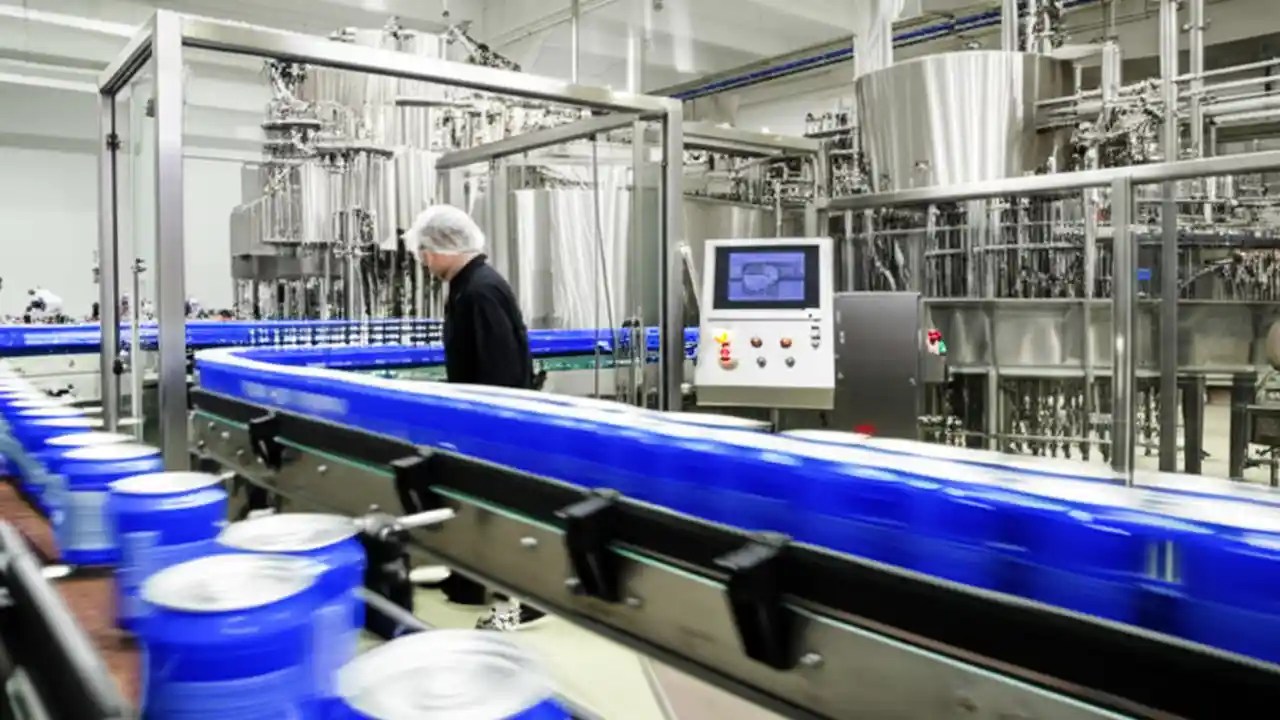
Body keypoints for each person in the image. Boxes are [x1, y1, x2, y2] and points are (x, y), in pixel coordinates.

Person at [399, 205, 543, 632]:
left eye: (425, 251)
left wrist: (488, 430)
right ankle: (466, 582)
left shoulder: (479, 290)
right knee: (475, 508)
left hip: (496, 424)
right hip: (479, 421)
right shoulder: (467, 286)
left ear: (446, 247)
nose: (423, 260)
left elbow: (497, 371)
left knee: (501, 516)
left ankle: (522, 602)